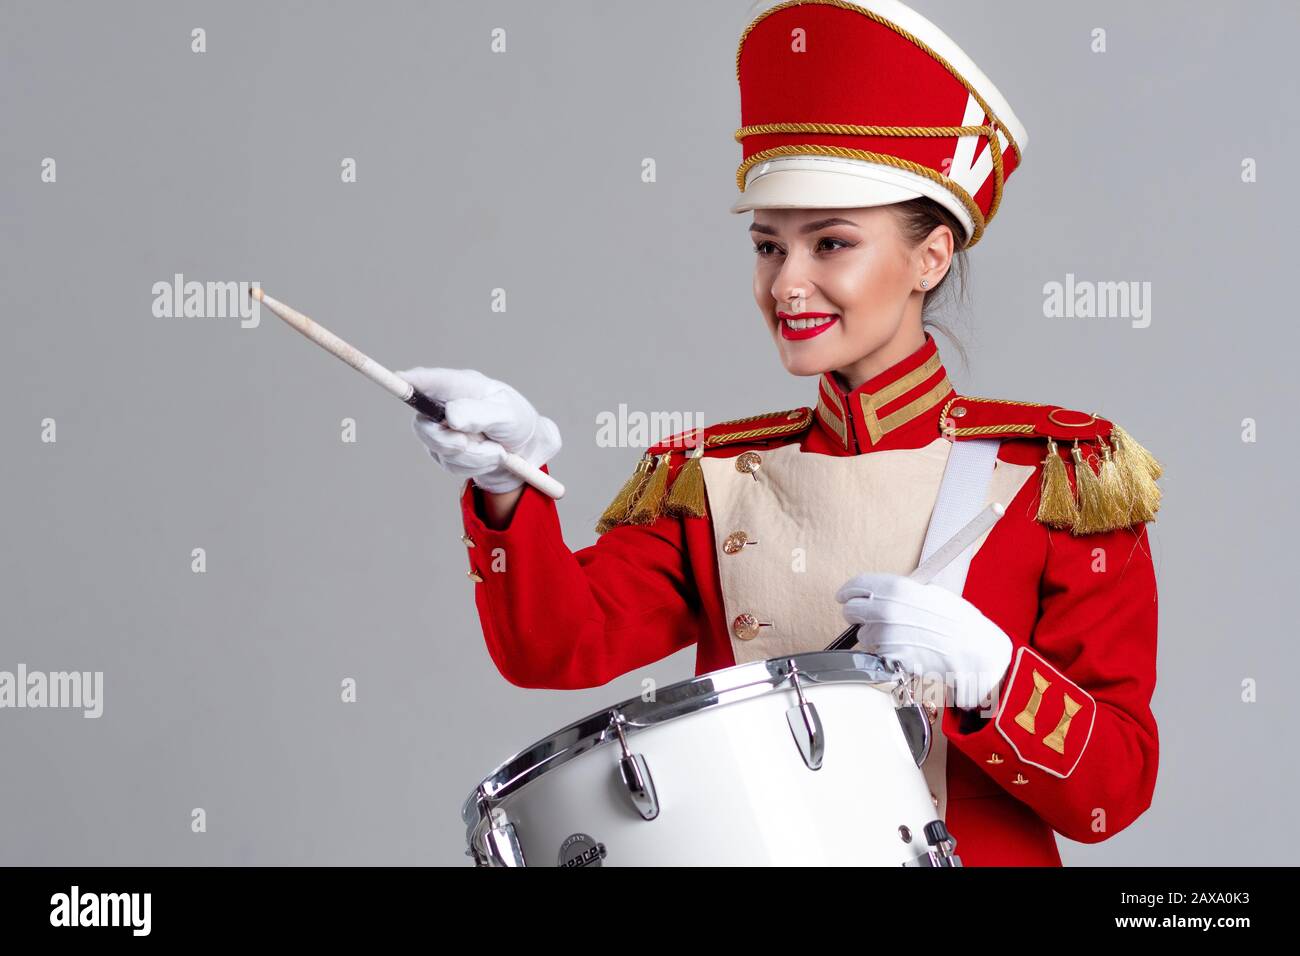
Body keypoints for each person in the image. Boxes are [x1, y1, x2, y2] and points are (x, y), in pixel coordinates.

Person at [398, 0, 1162, 867]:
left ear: (931, 257)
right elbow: (556, 646)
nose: (788, 284)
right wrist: (510, 479)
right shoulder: (715, 474)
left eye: (831, 243)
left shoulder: (1058, 474)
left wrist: (998, 681)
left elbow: (1116, 791)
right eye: (768, 247)